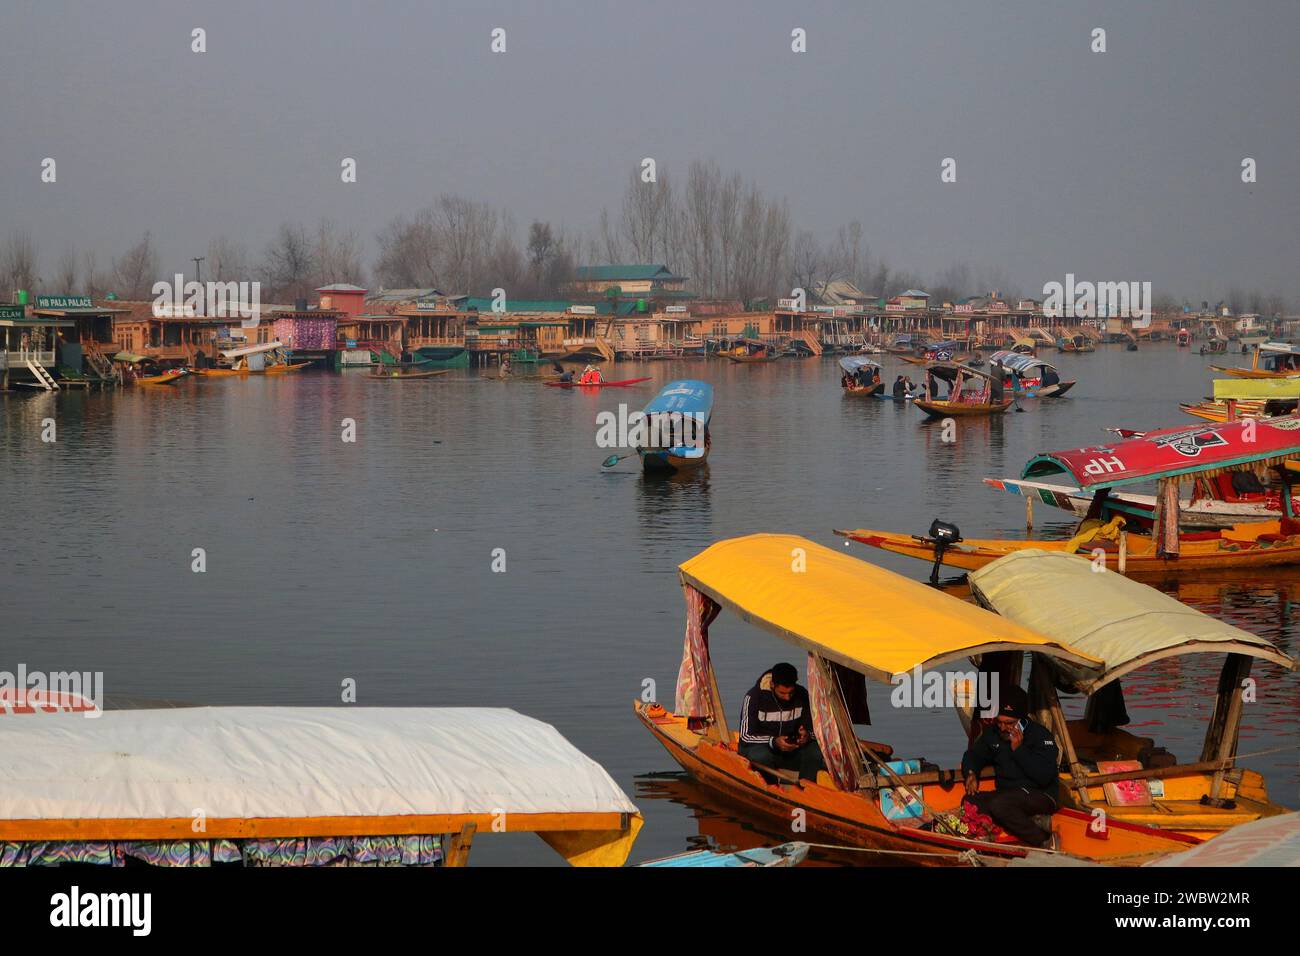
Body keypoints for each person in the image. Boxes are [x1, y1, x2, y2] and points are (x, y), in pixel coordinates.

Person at [961, 686, 1059, 848]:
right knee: (970, 801)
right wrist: (971, 772)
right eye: (999, 722)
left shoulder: (1041, 736)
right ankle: (992, 834)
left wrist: (1019, 750)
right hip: (1007, 794)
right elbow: (974, 755)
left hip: (1041, 794)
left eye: (1009, 723)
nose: (1003, 728)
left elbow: (1044, 776)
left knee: (1000, 804)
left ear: (1022, 720)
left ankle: (1044, 840)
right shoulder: (993, 734)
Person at [738, 662, 826, 781]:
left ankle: (806, 788)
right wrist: (774, 741)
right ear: (772, 684)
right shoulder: (754, 697)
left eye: (791, 693)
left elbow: (816, 730)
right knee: (760, 756)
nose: (787, 697)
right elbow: (745, 737)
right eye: (782, 693)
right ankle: (771, 788)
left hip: (791, 752)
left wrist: (807, 736)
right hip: (761, 749)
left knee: (815, 751)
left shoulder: (803, 695)